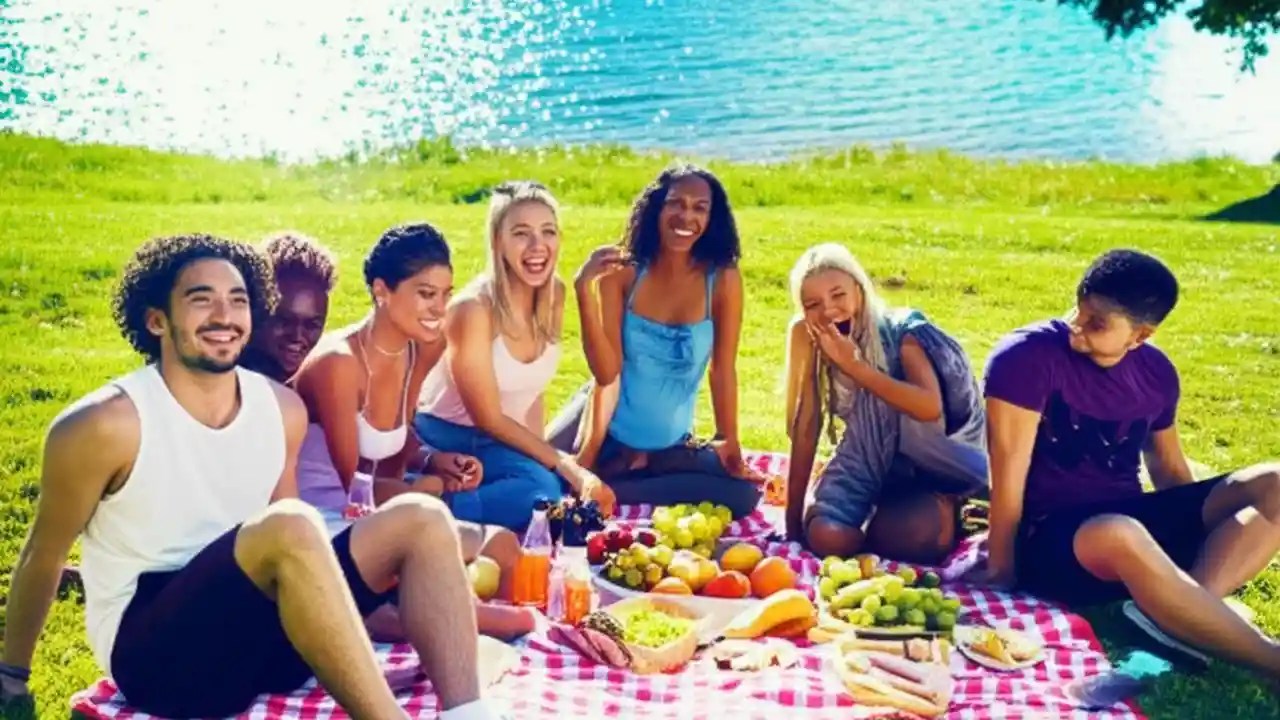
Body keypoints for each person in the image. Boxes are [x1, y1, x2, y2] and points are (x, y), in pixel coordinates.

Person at [0, 234, 506, 720]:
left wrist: (351, 653)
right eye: (202, 300)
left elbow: (306, 563)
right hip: (159, 662)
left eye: (237, 300)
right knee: (290, 524)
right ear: (157, 319)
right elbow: (43, 554)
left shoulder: (281, 410)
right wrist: (11, 675)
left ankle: (469, 712)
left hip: (259, 651)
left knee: (420, 516)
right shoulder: (103, 425)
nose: (224, 316)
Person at [979, 248, 1280, 678]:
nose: (1076, 329)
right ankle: (1270, 660)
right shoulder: (1024, 358)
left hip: (1129, 528)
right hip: (1050, 541)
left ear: (1140, 336)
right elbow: (1006, 475)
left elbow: (1170, 471)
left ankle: (1180, 614)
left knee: (1275, 482)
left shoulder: (1156, 373)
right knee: (1119, 532)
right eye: (1078, 310)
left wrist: (1199, 528)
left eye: (1096, 323)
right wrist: (1002, 568)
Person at [289, 222, 531, 637]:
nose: (439, 309)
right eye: (425, 294)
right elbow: (360, 494)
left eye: (444, 294)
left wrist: (432, 460)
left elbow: (392, 461)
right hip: (326, 525)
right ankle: (404, 617)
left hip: (384, 515)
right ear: (382, 291)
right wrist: (431, 487)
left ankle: (432, 618)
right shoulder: (339, 364)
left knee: (505, 547)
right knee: (511, 620)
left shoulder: (422, 347)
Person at [547, 164, 762, 519]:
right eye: (675, 203)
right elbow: (607, 375)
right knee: (538, 474)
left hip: (670, 443)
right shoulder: (622, 273)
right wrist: (583, 291)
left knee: (745, 496)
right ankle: (614, 471)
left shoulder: (722, 278)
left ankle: (629, 476)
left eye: (699, 208)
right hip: (605, 423)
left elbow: (723, 368)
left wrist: (729, 440)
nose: (686, 216)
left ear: (712, 218)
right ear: (656, 209)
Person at [415, 181, 609, 531]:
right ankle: (432, 506)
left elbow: (532, 391)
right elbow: (487, 418)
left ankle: (484, 494)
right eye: (521, 233)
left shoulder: (553, 294)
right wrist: (565, 466)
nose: (538, 246)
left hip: (499, 436)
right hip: (450, 433)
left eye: (548, 232)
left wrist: (544, 458)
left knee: (548, 476)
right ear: (498, 242)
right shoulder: (473, 310)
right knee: (544, 491)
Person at [781, 243, 987, 563]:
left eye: (839, 295)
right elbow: (806, 425)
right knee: (825, 535)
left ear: (860, 291)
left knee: (915, 536)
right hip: (867, 459)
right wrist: (793, 527)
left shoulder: (905, 333)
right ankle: (880, 515)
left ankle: (954, 510)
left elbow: (928, 406)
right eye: (812, 304)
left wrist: (856, 368)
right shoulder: (808, 335)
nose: (829, 311)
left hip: (937, 466)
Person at [239, 230, 337, 382]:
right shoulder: (227, 386)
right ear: (254, 311)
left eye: (312, 325)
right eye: (284, 321)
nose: (297, 337)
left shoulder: (325, 381)